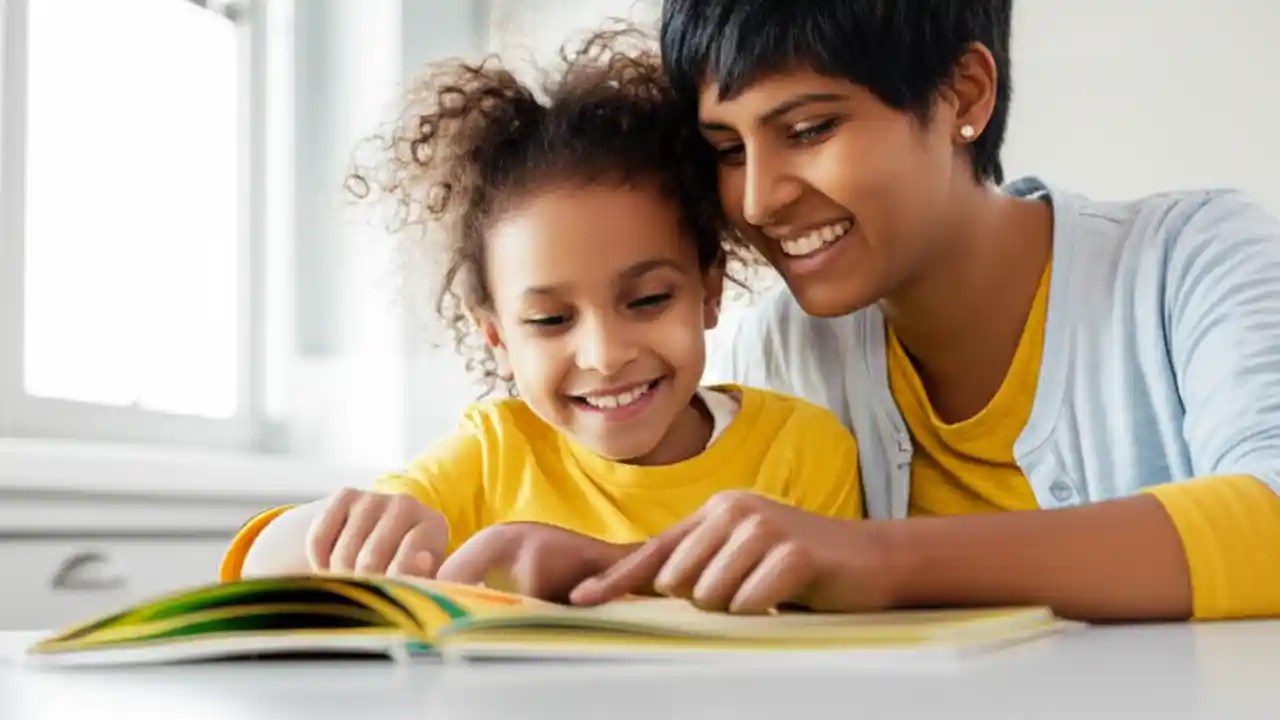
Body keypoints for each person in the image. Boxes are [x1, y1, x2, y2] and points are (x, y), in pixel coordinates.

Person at [563, 0, 1280, 620]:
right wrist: (591, 566)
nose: (759, 200)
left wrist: (880, 561)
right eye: (728, 149)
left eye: (809, 130)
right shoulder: (782, 354)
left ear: (964, 96)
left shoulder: (1193, 261)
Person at [217, 31, 863, 602]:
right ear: (496, 337)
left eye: (646, 301)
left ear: (710, 291)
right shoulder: (496, 454)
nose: (606, 354)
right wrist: (344, 529)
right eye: (551, 321)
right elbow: (257, 574)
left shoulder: (800, 451)